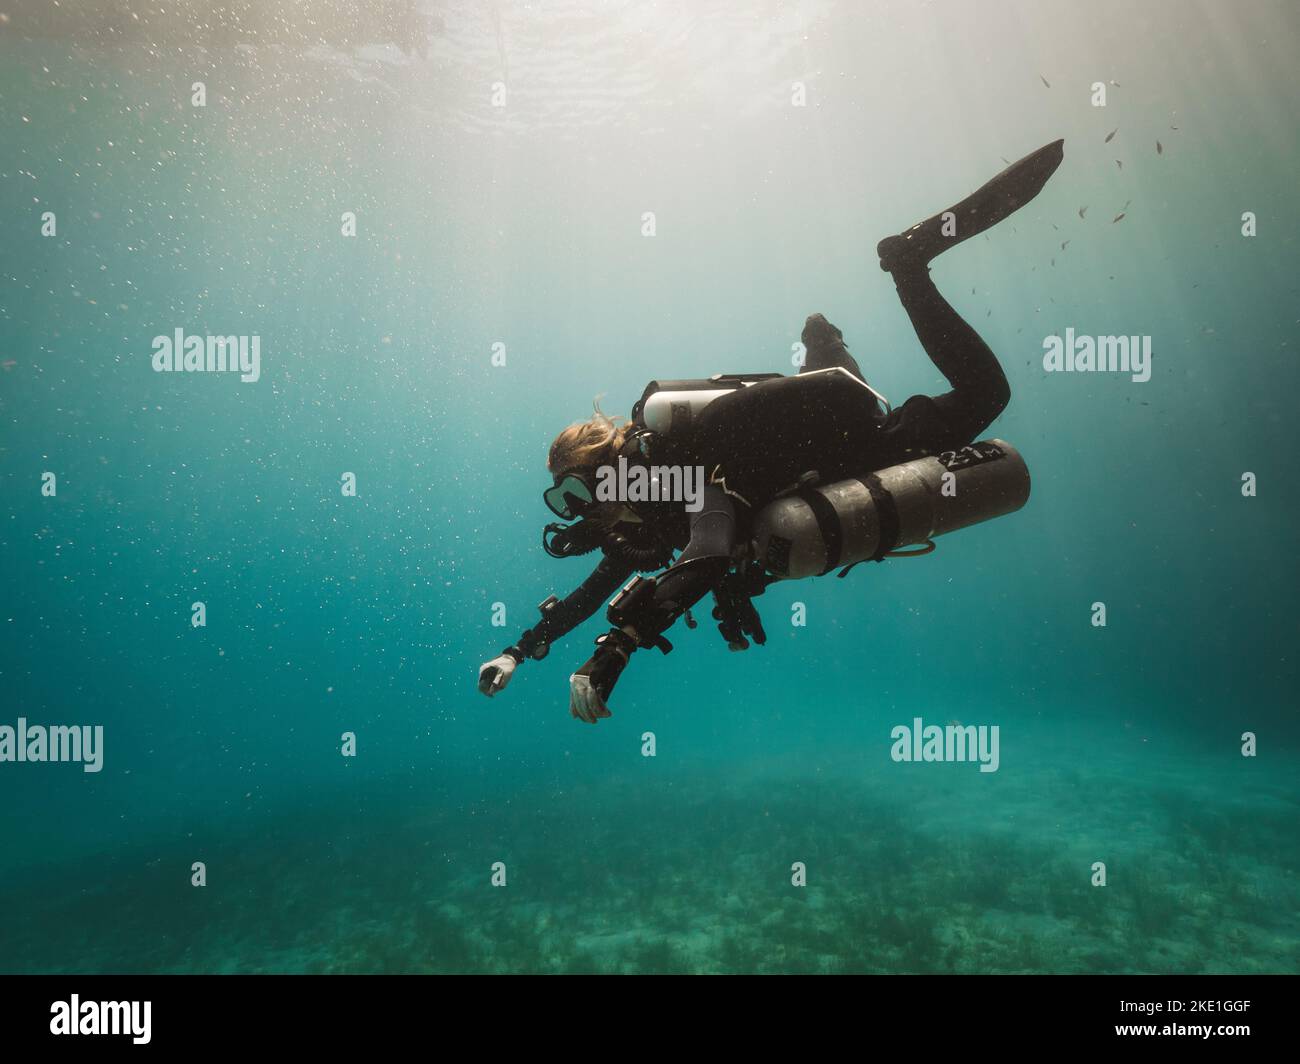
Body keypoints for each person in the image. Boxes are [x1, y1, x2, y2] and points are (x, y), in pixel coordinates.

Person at [478, 140, 1064, 723]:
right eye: (566, 501)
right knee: (855, 389)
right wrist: (517, 653)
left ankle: (907, 268)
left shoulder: (666, 478)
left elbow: (708, 546)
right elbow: (591, 592)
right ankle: (825, 342)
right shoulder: (644, 514)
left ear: (606, 472)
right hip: (828, 449)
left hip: (860, 449)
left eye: (577, 490)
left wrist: (620, 646)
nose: (578, 509)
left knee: (980, 396)